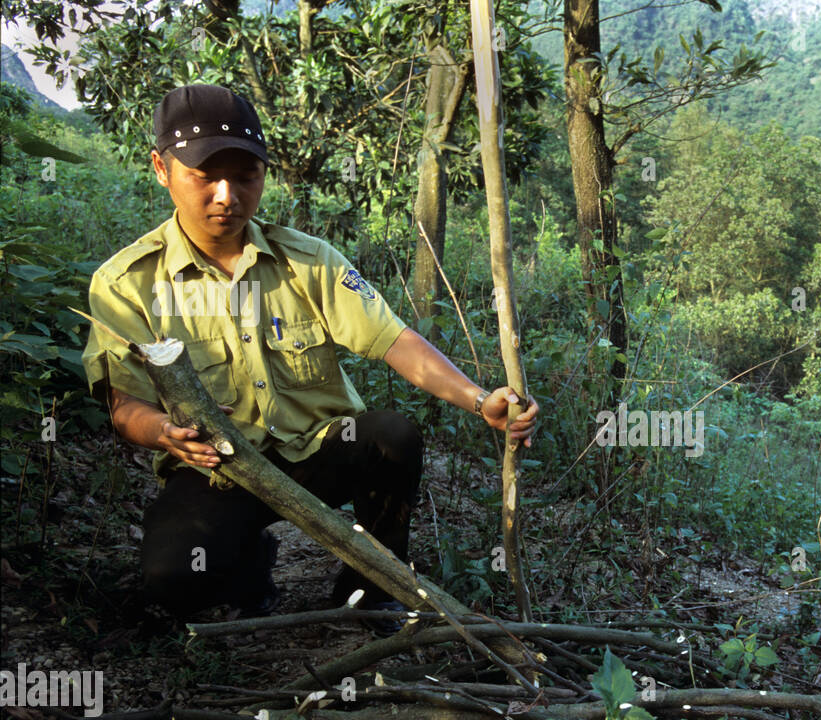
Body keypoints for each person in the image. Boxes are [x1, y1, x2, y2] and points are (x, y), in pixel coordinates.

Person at [80, 84, 538, 623]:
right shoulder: (126, 282)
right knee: (175, 580)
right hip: (217, 470)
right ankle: (250, 564)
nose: (226, 195)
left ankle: (374, 578)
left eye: (246, 176)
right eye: (205, 178)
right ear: (162, 168)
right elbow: (122, 402)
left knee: (390, 436)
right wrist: (163, 432)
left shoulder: (310, 260)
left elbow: (394, 341)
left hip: (317, 453)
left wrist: (479, 398)